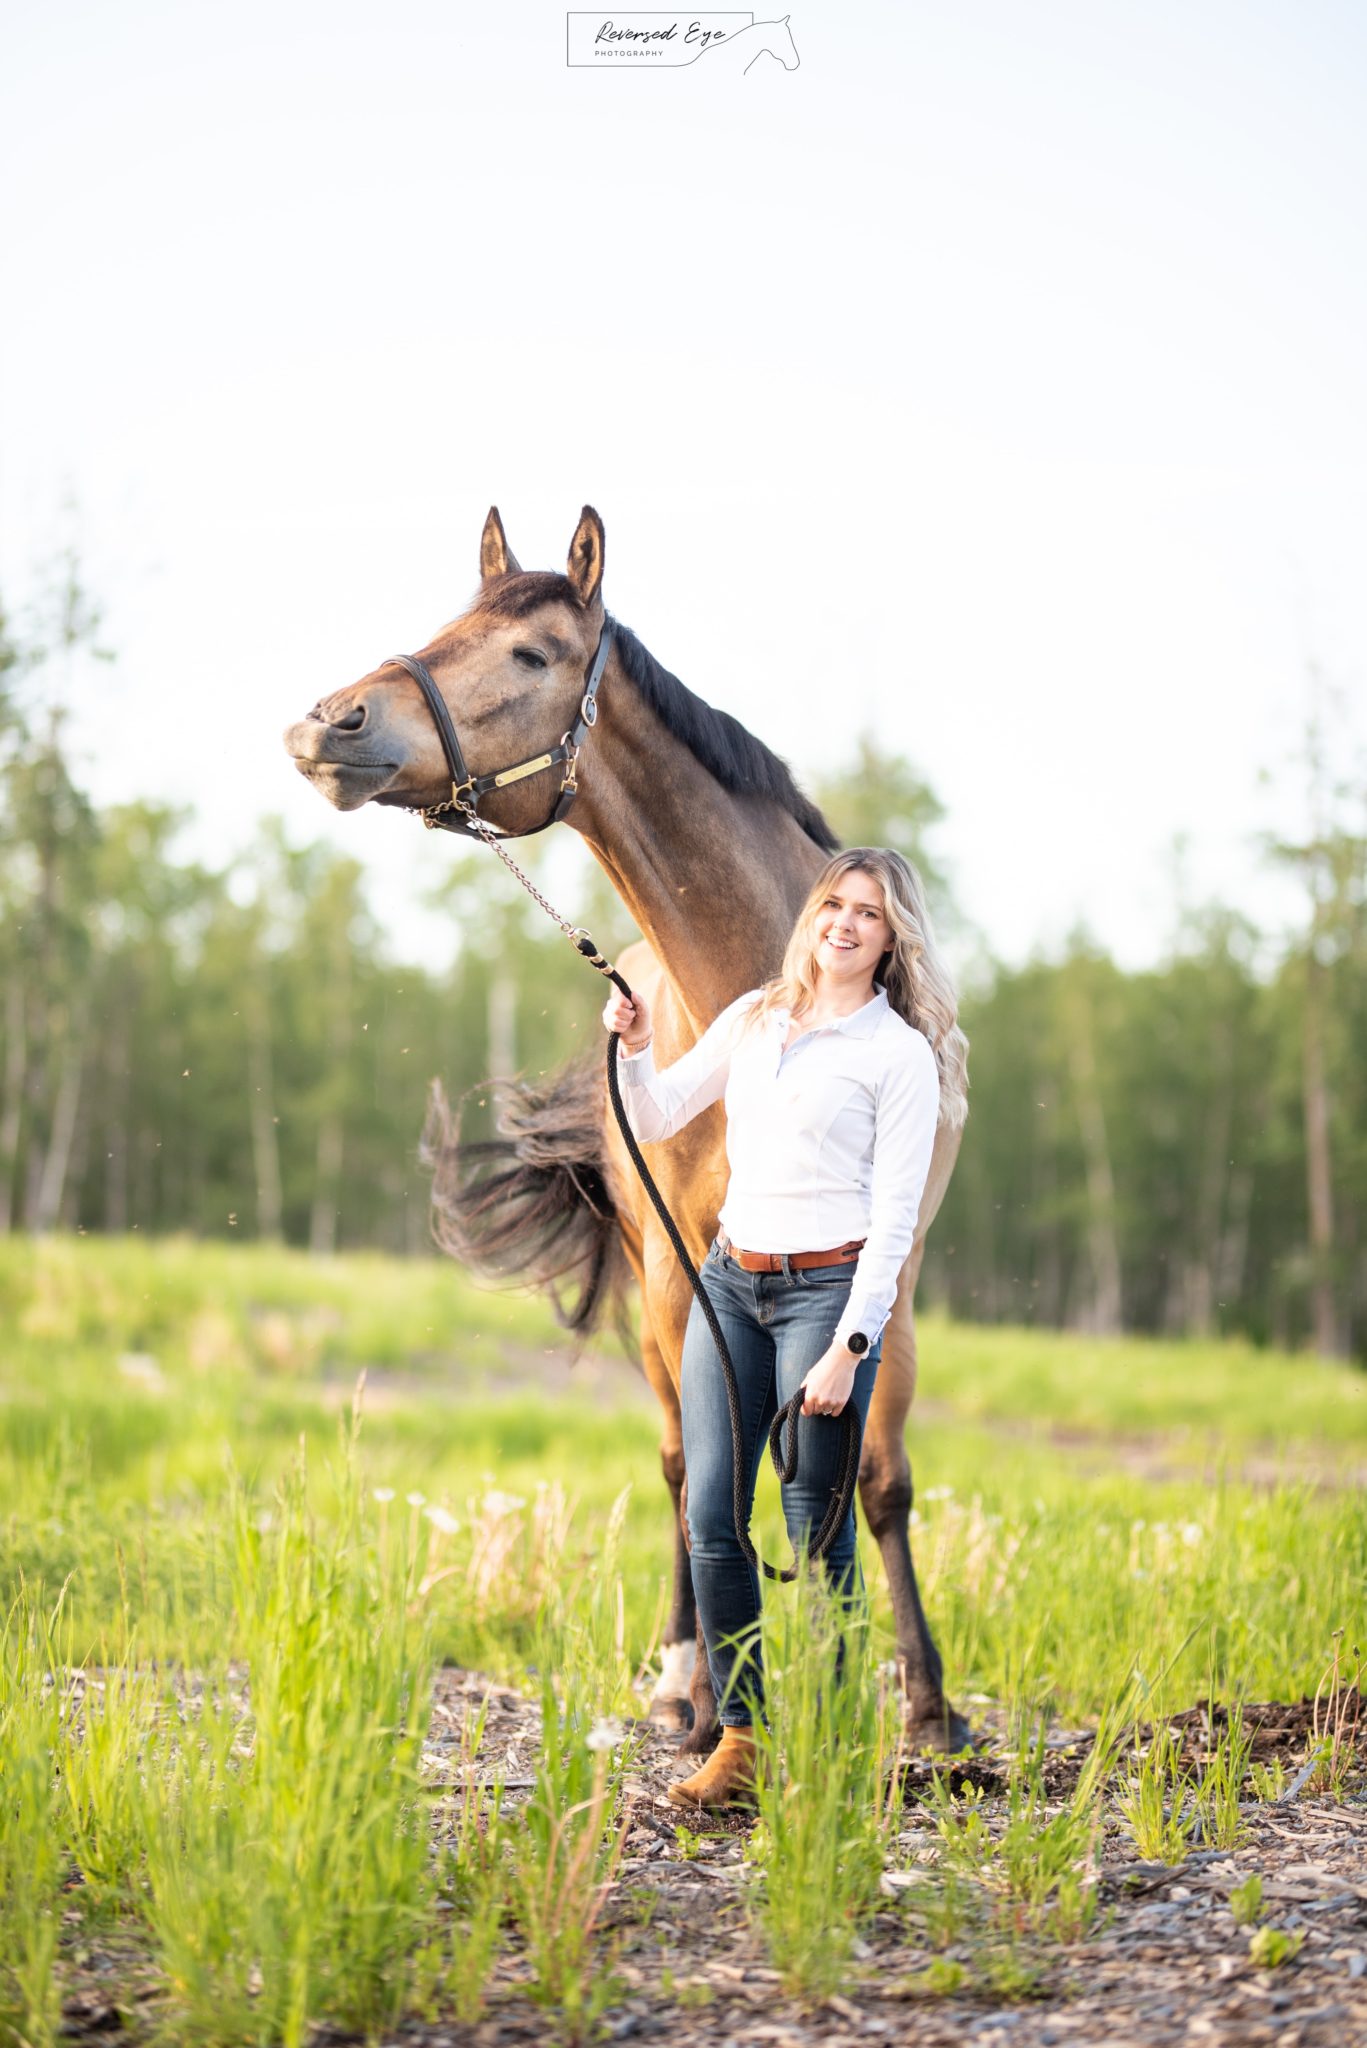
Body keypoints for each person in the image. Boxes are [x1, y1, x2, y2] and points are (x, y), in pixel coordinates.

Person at [601, 847, 969, 1809]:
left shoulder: (897, 1056)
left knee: (816, 1526)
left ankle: (842, 1742)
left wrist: (852, 1347)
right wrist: (634, 1047)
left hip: (827, 1295)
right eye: (834, 905)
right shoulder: (758, 1017)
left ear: (893, 942)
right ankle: (746, 1740)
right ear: (811, 915)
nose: (844, 924)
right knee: (713, 1515)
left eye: (870, 915)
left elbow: (893, 1223)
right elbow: (658, 1112)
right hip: (731, 1286)